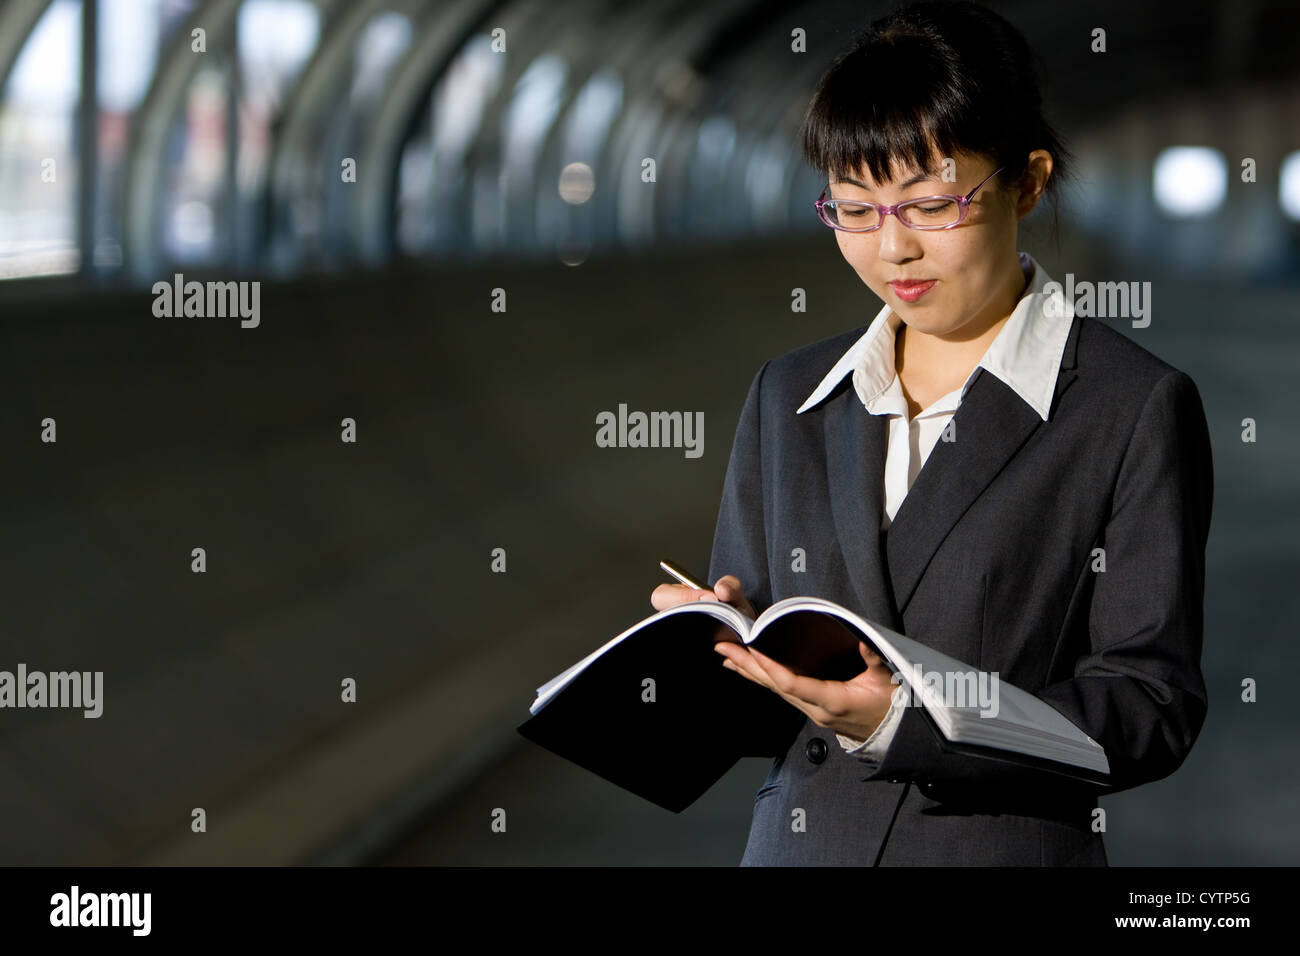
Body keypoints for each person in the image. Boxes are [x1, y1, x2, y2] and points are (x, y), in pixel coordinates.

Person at [650, 0, 1214, 866]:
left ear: (1026, 182)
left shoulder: (1128, 405)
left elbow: (1149, 706)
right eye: (856, 210)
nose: (893, 251)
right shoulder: (790, 395)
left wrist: (912, 725)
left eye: (929, 205)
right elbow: (764, 683)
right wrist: (711, 646)